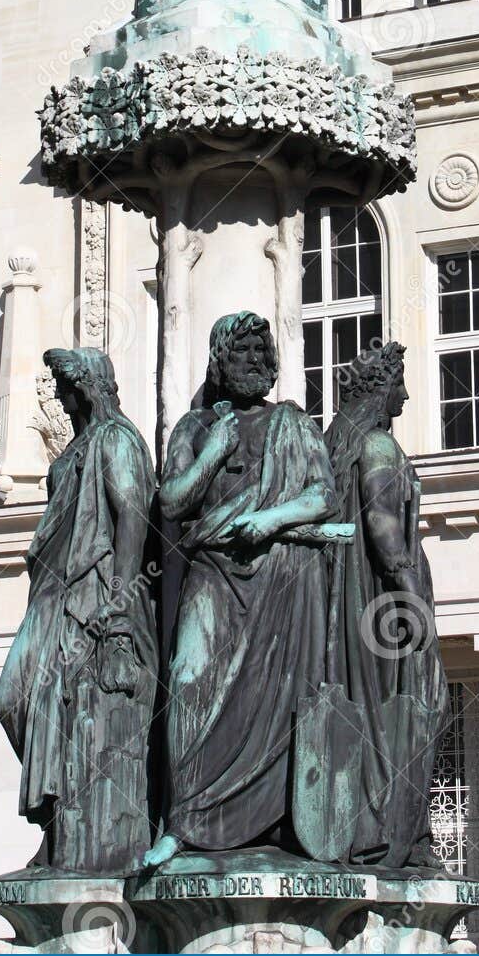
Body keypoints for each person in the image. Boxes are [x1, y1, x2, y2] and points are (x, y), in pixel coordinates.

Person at [144, 312, 336, 864]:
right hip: (214, 572)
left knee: (279, 695)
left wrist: (272, 519)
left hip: (281, 576)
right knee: (189, 682)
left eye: (262, 351)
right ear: (218, 362)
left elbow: (323, 495)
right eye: (242, 352)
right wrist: (212, 456)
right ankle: (182, 824)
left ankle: (279, 824)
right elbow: (172, 504)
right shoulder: (194, 428)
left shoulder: (294, 425)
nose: (255, 361)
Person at [0, 347, 157, 873]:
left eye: (65, 388)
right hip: (50, 592)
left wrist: (120, 605)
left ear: (85, 388)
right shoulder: (80, 445)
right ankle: (56, 823)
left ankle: (66, 828)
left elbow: (131, 517)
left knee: (66, 711)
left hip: (89, 593)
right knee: (14, 700)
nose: (60, 400)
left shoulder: (116, 439)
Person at [325, 341, 448, 868]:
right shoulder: (376, 445)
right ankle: (393, 835)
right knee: (418, 706)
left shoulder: (335, 444)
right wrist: (409, 587)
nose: (405, 394)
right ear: (380, 388)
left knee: (379, 710)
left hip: (355, 601)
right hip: (385, 604)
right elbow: (381, 521)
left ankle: (375, 829)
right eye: (398, 384)